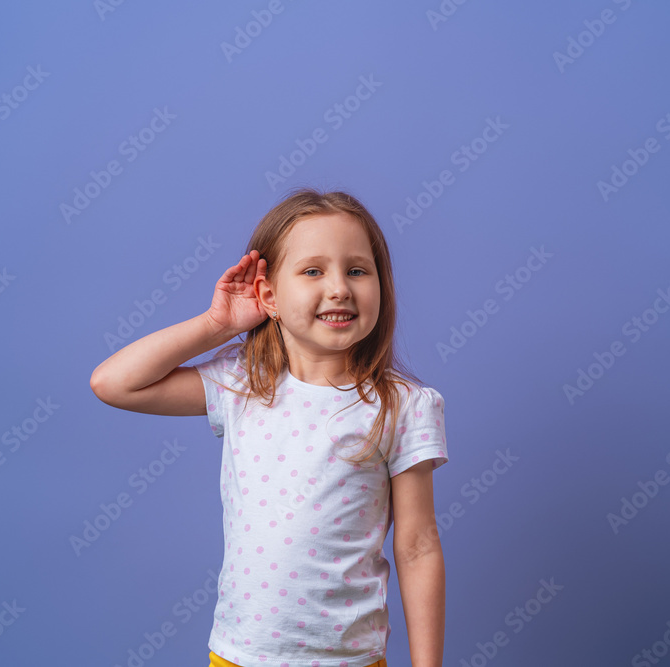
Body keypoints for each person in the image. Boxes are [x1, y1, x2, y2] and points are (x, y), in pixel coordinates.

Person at [90, 187, 449, 667]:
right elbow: (114, 383)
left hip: (350, 659)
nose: (340, 287)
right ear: (268, 295)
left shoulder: (402, 406)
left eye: (358, 270)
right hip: (241, 656)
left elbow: (418, 544)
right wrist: (217, 325)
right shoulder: (242, 386)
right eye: (313, 271)